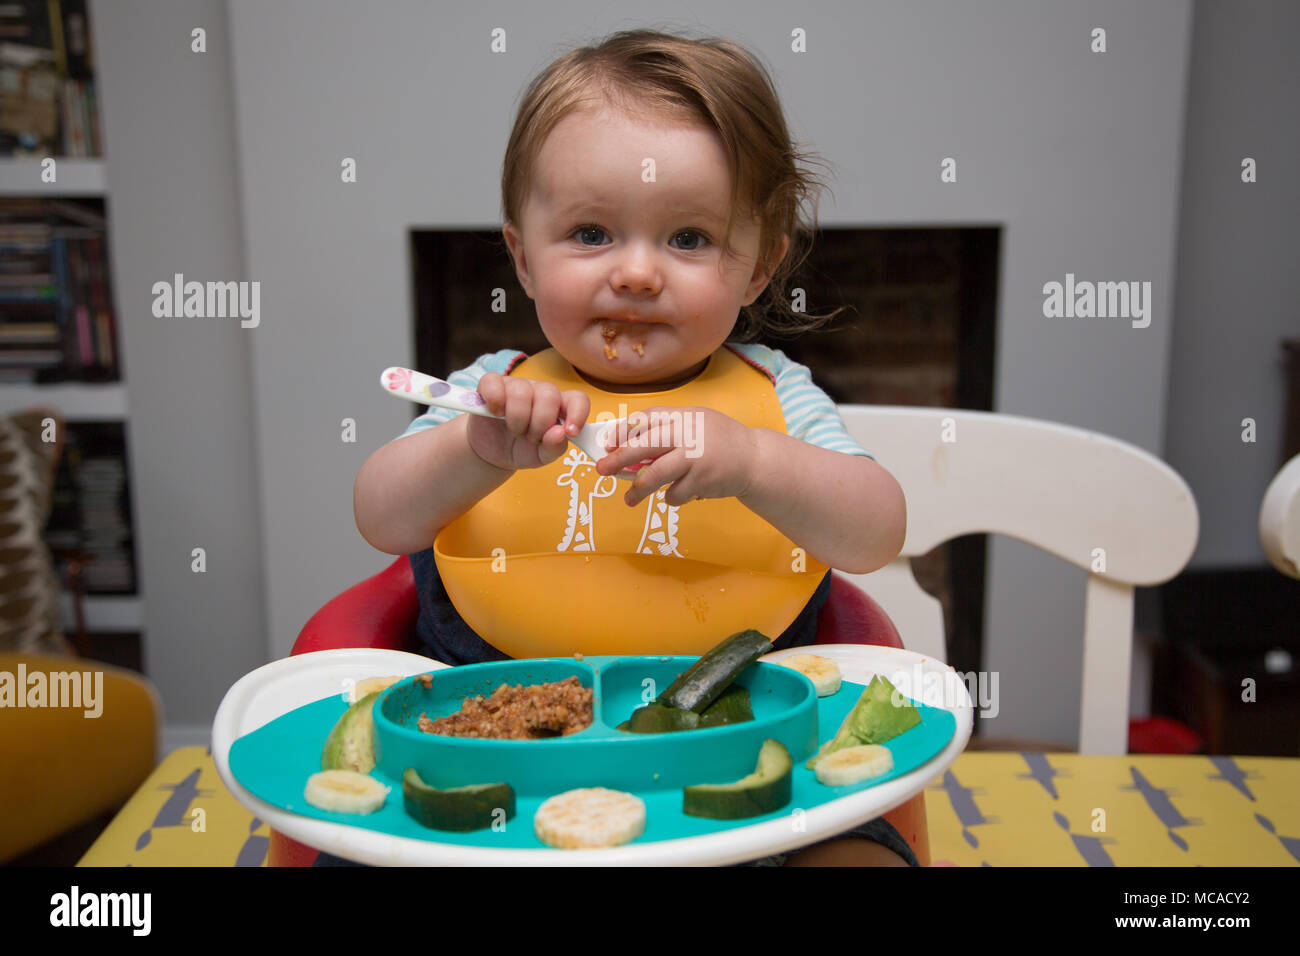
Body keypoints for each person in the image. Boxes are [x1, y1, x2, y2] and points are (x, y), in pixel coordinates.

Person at [349, 29, 910, 867]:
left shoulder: (777, 394)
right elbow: (380, 516)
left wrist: (756, 461)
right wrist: (476, 449)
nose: (639, 274)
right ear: (524, 258)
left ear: (758, 269)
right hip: (500, 762)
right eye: (590, 233)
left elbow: (877, 531)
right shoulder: (493, 391)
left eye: (688, 239)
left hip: (737, 759)